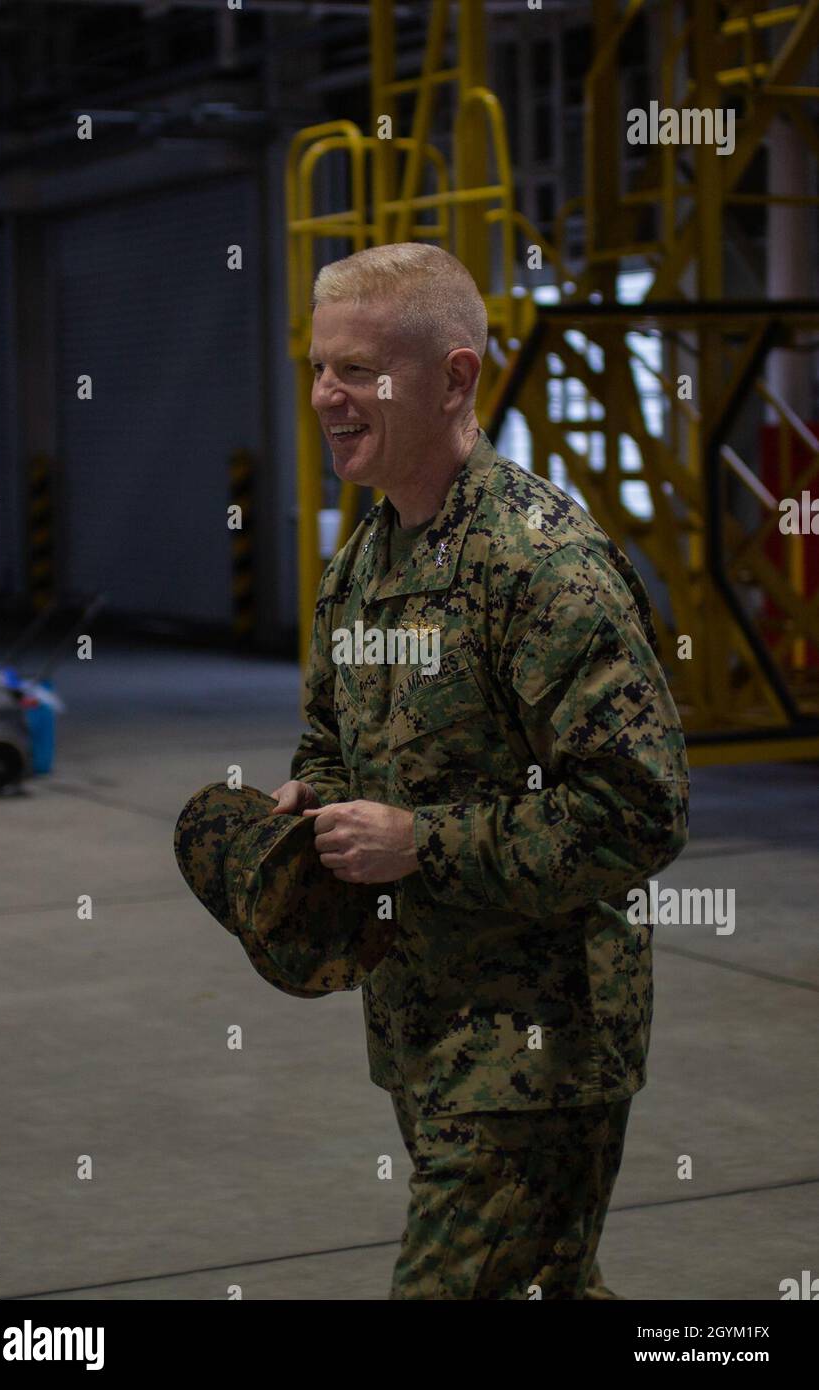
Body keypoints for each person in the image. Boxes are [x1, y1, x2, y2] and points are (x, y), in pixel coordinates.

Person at [270, 242, 689, 1300]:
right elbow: (330, 732)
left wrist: (420, 843)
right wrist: (308, 795)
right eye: (321, 367)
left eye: (360, 369)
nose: (328, 395)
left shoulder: (536, 564)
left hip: (535, 1050)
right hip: (423, 1028)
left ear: (454, 378)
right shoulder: (365, 562)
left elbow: (636, 809)